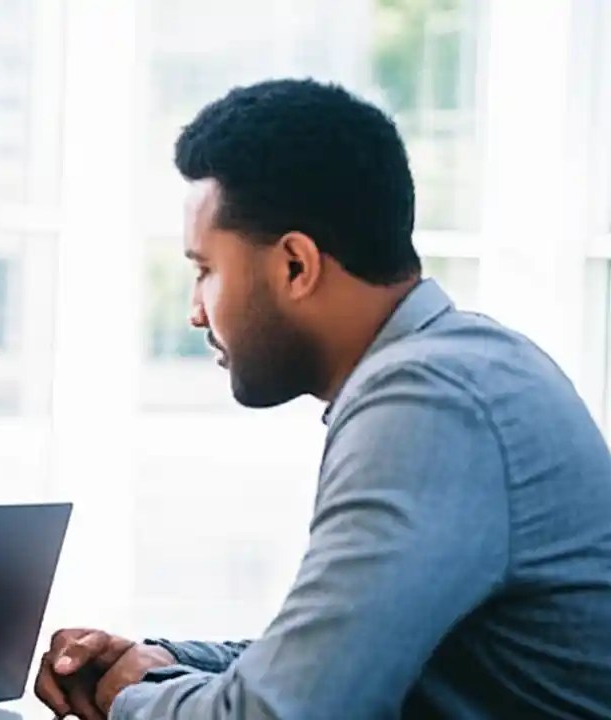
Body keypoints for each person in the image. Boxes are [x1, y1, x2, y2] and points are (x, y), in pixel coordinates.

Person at [35, 79, 611, 718]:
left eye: (205, 271)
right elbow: (341, 663)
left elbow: (287, 713)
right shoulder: (467, 366)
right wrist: (166, 662)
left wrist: (130, 698)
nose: (196, 312)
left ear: (295, 267)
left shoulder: (426, 405)